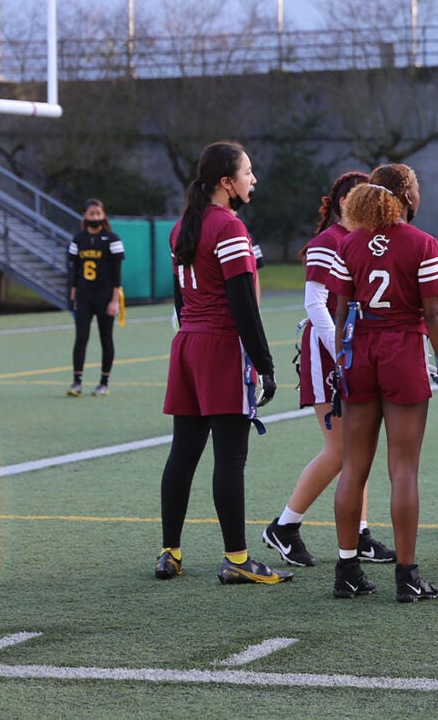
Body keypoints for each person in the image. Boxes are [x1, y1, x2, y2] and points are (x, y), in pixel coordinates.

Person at [155, 140, 292, 586]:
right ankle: (237, 558)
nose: (253, 179)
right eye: (247, 172)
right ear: (226, 182)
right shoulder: (230, 228)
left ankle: (170, 551)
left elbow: (179, 297)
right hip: (219, 345)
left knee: (183, 451)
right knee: (230, 457)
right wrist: (264, 361)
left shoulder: (183, 226)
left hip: (188, 343)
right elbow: (241, 304)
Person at [328, 163, 438, 602]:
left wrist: (338, 363)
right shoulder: (422, 243)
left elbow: (341, 312)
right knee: (403, 467)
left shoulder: (350, 241)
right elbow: (434, 314)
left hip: (359, 350)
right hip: (402, 349)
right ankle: (407, 576)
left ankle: (346, 570)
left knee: (353, 466)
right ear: (405, 195)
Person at [262, 171, 396, 567]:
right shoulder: (328, 242)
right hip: (329, 352)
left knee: (360, 448)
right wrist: (340, 350)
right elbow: (315, 303)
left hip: (357, 350)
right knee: (341, 450)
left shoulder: (367, 240)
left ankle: (360, 533)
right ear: (343, 202)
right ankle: (284, 526)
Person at [66, 198, 124, 396]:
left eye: (98, 214)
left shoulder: (112, 239)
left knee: (105, 338)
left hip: (105, 296)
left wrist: (114, 300)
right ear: (85, 216)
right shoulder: (78, 240)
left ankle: (104, 382)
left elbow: (117, 272)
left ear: (103, 216)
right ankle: (76, 382)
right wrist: (73, 296)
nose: (95, 217)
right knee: (81, 337)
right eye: (91, 214)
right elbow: (74, 271)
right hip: (84, 295)